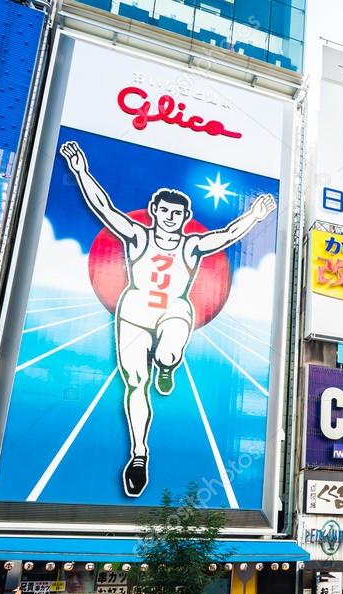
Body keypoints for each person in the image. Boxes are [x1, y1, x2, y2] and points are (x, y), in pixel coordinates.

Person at [59, 141, 276, 498]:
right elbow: (104, 208)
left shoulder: (190, 246)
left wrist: (254, 215)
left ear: (184, 218)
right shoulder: (137, 236)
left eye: (178, 213)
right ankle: (139, 455)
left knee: (168, 350)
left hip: (174, 309)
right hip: (134, 313)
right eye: (165, 211)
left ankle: (166, 363)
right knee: (135, 383)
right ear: (155, 211)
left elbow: (225, 237)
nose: (171, 218)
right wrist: (81, 171)